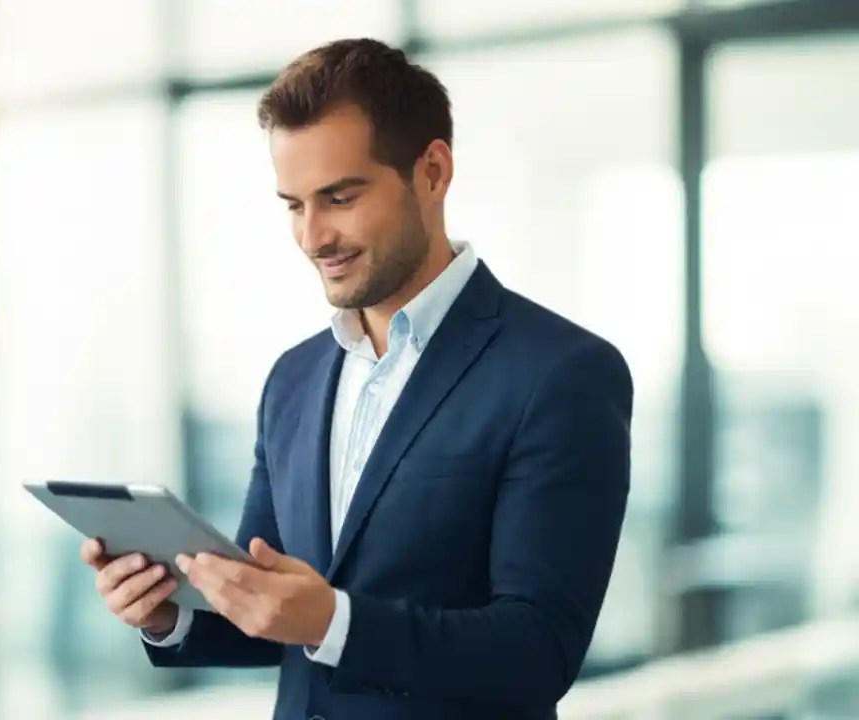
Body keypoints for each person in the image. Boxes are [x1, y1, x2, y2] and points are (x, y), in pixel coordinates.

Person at [80, 37, 633, 720]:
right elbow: (271, 611)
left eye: (339, 197)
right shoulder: (295, 379)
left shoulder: (560, 374)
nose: (313, 237)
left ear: (432, 172)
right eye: (293, 205)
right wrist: (168, 614)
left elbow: (538, 650)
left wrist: (332, 622)